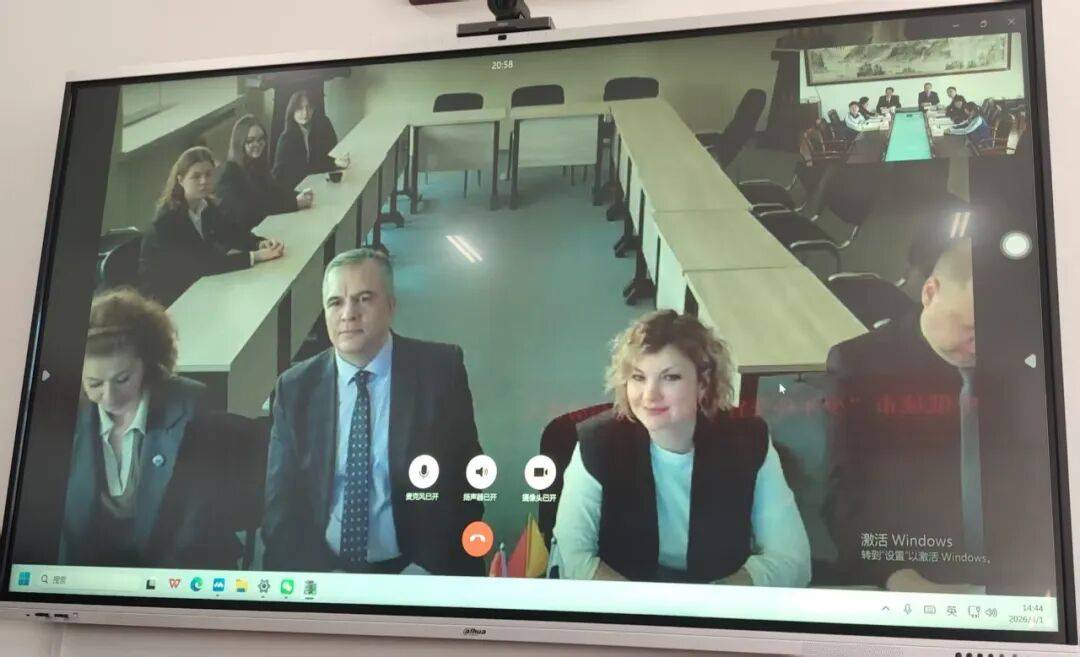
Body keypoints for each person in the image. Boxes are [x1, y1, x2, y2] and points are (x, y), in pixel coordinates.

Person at [262, 248, 485, 575]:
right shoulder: (295, 388)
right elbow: (280, 507)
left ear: (391, 306)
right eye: (335, 302)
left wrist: (424, 569)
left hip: (415, 566)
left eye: (363, 299)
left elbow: (466, 483)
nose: (348, 314)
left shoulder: (440, 372)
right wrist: (323, 578)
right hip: (326, 570)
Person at [552, 310, 811, 586]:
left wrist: (710, 601)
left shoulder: (749, 441)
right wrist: (643, 607)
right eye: (638, 377)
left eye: (670, 377)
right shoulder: (598, 443)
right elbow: (573, 558)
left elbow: (792, 561)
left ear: (703, 383)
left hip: (717, 597)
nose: (650, 395)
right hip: (626, 596)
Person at [826, 233, 986, 593]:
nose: (984, 345)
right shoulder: (861, 366)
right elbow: (846, 492)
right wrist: (898, 575)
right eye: (971, 329)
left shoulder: (1027, 365)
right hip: (917, 574)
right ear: (930, 293)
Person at [59, 288, 240, 568]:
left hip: (174, 569)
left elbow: (197, 526)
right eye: (94, 384)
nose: (110, 398)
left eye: (123, 379)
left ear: (149, 362)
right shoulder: (63, 415)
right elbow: (64, 532)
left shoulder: (191, 407)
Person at [138, 146, 285, 307]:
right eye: (196, 176)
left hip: (197, 288)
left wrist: (259, 243)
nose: (204, 181)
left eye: (208, 175)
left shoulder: (205, 205)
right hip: (168, 302)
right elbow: (202, 265)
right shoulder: (168, 220)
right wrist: (255, 256)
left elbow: (232, 233)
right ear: (180, 180)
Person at [215, 114, 314, 234]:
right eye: (250, 140)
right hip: (247, 235)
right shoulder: (230, 175)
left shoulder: (257, 164)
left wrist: (299, 195)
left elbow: (275, 192)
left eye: (261, 139)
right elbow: (255, 210)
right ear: (240, 143)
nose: (257, 144)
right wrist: (294, 203)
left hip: (264, 227)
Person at [272, 90, 351, 192]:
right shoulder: (286, 139)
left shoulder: (323, 126)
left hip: (320, 185)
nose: (305, 113)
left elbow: (329, 158)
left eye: (309, 107)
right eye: (300, 108)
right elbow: (279, 175)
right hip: (295, 189)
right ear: (292, 111)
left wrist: (338, 162)